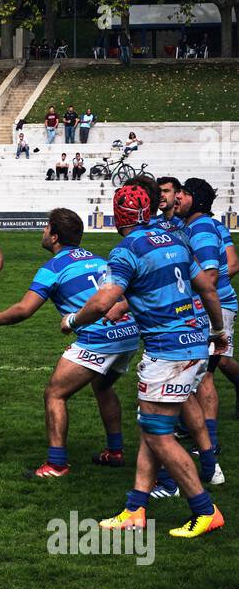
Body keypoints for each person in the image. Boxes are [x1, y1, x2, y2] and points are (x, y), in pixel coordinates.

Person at [61, 181, 227, 538]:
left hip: (169, 351)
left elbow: (102, 300)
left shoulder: (126, 250)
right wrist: (217, 331)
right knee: (150, 426)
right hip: (194, 341)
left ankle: (204, 508)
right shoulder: (176, 236)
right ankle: (135, 507)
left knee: (158, 433)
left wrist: (72, 320)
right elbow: (206, 287)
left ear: (116, 214)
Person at [0, 207, 139, 476]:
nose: (43, 232)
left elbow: (24, 310)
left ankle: (56, 464)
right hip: (129, 335)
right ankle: (115, 451)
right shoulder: (99, 260)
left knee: (55, 393)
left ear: (54, 236)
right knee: (103, 386)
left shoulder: (52, 268)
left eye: (46, 228)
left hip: (99, 337)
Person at [176, 178, 239, 456]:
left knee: (205, 374)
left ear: (196, 199)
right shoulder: (201, 225)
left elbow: (211, 274)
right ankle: (196, 430)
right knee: (208, 368)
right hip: (213, 304)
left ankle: (209, 442)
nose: (178, 197)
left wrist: (199, 297)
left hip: (213, 306)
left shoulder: (201, 227)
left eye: (183, 193)